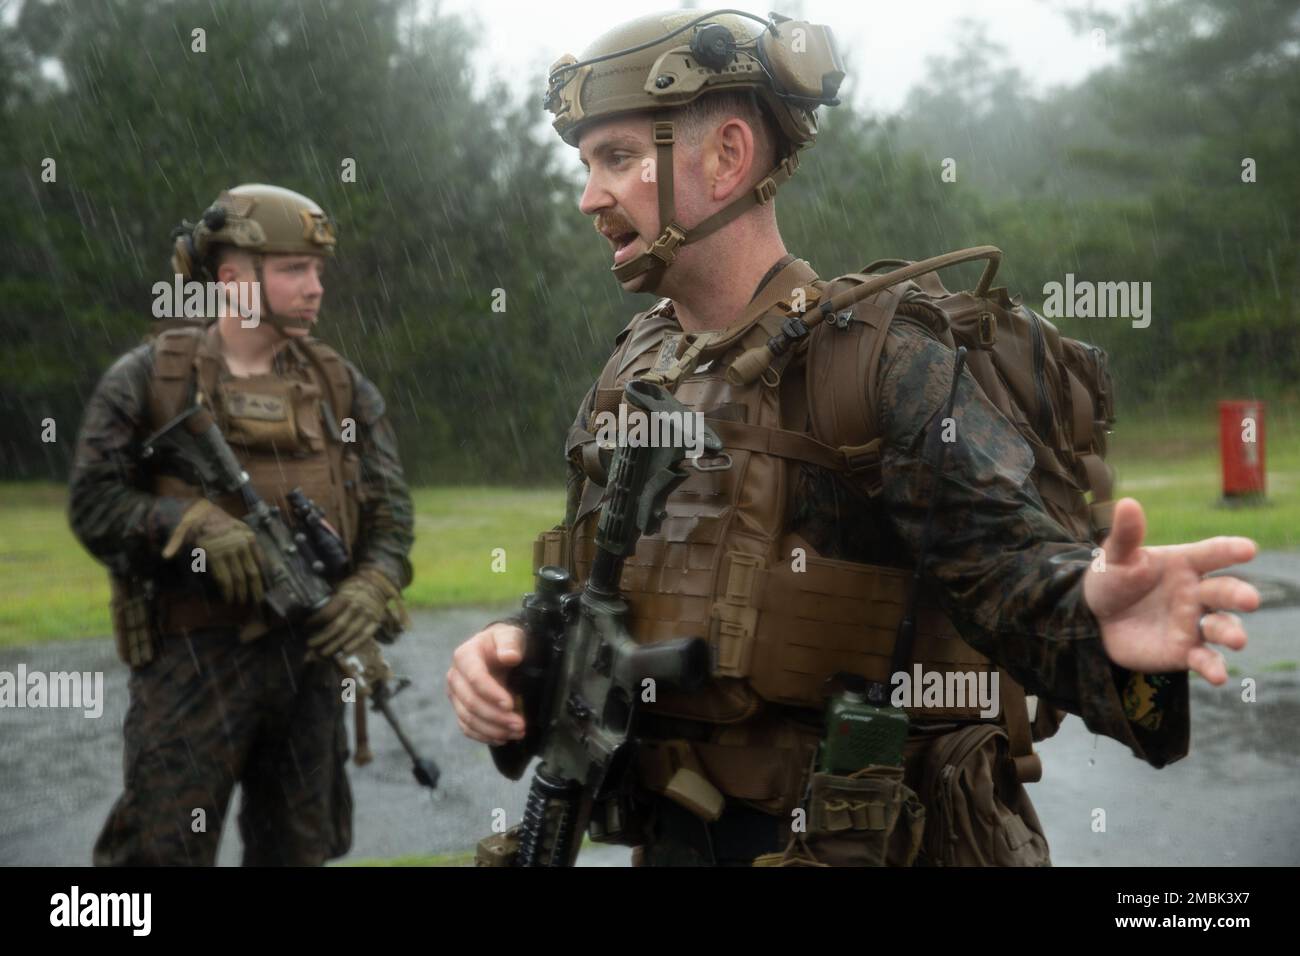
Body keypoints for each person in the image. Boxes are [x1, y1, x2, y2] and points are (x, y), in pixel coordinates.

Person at [446, 10, 1259, 866]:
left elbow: (1010, 572)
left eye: (616, 159)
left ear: (726, 157)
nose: (588, 197)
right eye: (583, 165)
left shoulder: (879, 358)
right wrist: (509, 651)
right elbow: (597, 591)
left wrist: (1101, 626)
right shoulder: (633, 368)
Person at [69, 183, 414, 866]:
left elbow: (390, 514)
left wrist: (372, 583)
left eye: (317, 270)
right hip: (192, 666)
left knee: (299, 851)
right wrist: (188, 522)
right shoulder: (149, 380)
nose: (315, 287)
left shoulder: (340, 386)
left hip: (311, 666)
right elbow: (94, 505)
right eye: (293, 270)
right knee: (158, 854)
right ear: (233, 280)